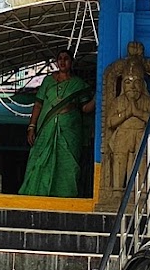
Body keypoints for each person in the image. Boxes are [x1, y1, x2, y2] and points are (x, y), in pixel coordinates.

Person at [19, 49, 94, 198]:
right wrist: (32, 126)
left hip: (69, 132)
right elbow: (38, 104)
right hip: (46, 130)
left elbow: (85, 108)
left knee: (68, 165)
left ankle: (66, 196)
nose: (62, 61)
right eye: (60, 58)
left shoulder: (78, 84)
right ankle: (35, 195)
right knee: (39, 161)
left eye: (66, 58)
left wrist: (99, 96)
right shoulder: (48, 81)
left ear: (71, 62)